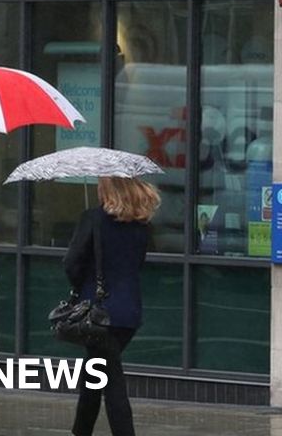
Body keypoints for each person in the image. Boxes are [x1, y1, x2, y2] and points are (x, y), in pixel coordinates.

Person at [64, 176, 160, 436]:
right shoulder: (142, 226)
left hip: (98, 313)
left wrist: (82, 282)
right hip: (128, 312)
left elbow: (72, 263)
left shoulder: (92, 218)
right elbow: (136, 264)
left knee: (112, 382)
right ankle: (80, 431)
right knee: (94, 376)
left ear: (107, 188)